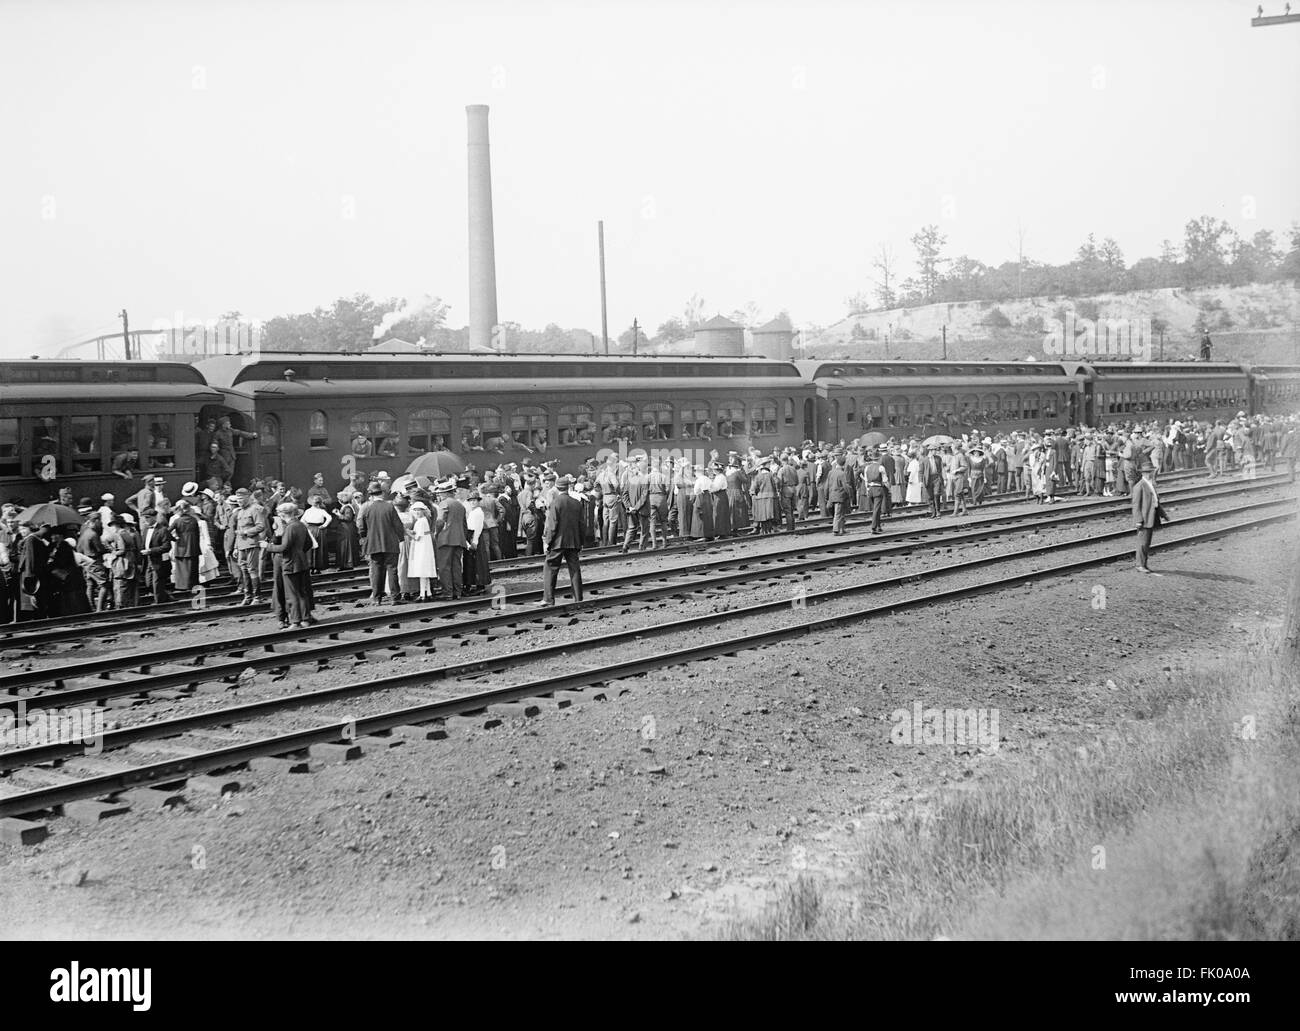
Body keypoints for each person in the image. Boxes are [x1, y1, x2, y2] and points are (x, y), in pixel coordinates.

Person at [264, 503, 315, 628]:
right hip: (301, 562)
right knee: (302, 592)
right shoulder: (301, 525)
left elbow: (284, 547)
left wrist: (267, 547)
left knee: (292, 594)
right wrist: (299, 552)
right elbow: (308, 543)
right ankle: (305, 619)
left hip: (290, 563)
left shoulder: (290, 527)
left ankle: (295, 621)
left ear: (282, 514)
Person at [537, 475, 584, 607]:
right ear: (568, 487)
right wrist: (581, 542)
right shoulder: (577, 503)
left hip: (558, 542)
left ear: (557, 487)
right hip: (573, 541)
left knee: (550, 568)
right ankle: (578, 598)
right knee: (574, 569)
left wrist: (547, 542)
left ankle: (548, 599)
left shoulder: (555, 503)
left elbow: (552, 525)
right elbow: (582, 525)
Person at [358, 482, 406, 605]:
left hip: (373, 543)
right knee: (392, 570)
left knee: (376, 571)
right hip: (390, 543)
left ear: (371, 495)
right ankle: (395, 597)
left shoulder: (366, 507)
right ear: (382, 493)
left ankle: (376, 598)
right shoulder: (390, 507)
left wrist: (364, 537)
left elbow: (361, 526)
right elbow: (398, 525)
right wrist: (401, 538)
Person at [432, 478, 468, 601]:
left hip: (446, 539)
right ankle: (457, 591)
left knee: (444, 567)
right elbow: (464, 525)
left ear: (446, 493)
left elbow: (440, 521)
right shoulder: (460, 505)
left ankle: (447, 592)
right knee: (457, 566)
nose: (439, 496)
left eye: (440, 494)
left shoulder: (444, 504)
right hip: (459, 539)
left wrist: (436, 533)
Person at [1131, 460, 1166, 574]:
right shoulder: (1139, 486)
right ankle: (1139, 565)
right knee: (1142, 543)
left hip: (1151, 516)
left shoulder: (1150, 484)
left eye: (1152, 471)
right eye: (1150, 472)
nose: (1152, 473)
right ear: (1145, 473)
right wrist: (1138, 520)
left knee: (1147, 543)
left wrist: (1163, 514)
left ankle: (1144, 564)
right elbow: (1136, 505)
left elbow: (1155, 500)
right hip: (1144, 518)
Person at [408, 501, 438, 600]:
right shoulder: (424, 520)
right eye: (415, 510)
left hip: (422, 547)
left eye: (419, 510)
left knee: (422, 571)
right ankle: (428, 593)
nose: (417, 512)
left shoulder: (420, 521)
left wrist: (408, 532)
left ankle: (422, 594)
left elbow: (417, 537)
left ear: (423, 511)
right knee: (425, 571)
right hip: (425, 546)